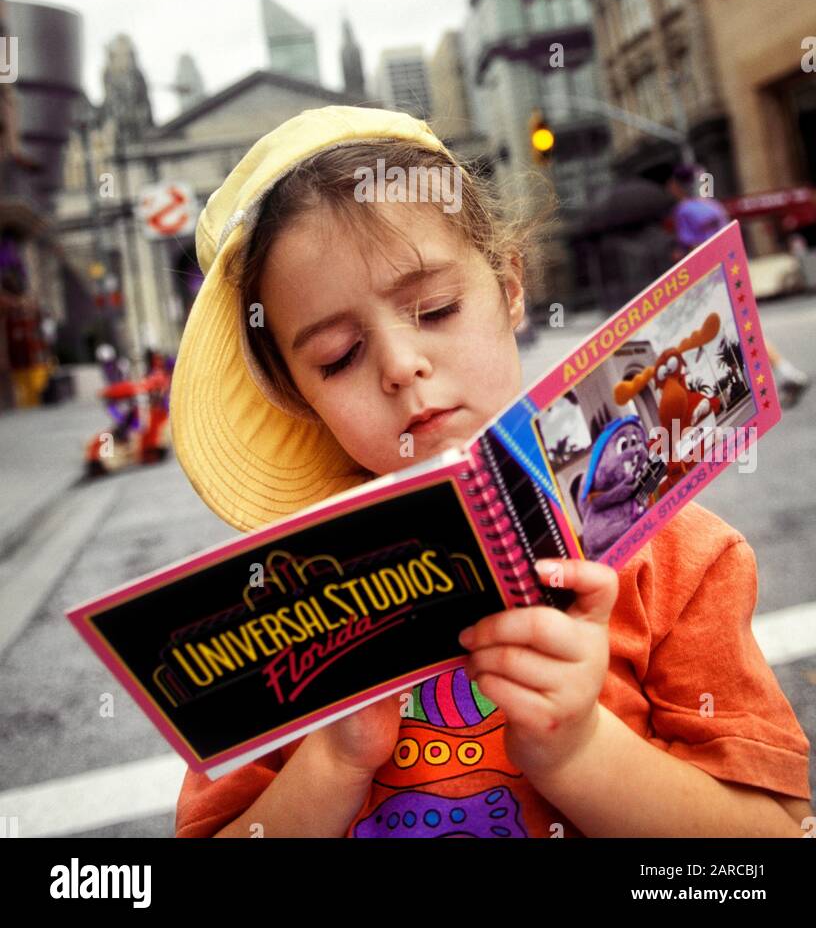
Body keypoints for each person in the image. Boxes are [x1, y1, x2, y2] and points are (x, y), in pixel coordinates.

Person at [171, 107, 812, 838]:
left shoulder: (678, 559)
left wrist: (576, 749)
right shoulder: (280, 602)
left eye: (435, 309)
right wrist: (332, 761)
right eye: (338, 357)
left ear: (510, 288)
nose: (400, 366)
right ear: (297, 393)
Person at [667, 163, 811, 408]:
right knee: (739, 330)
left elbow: (688, 250)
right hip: (732, 270)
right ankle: (781, 377)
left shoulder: (684, 211)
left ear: (678, 186)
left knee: (732, 333)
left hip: (709, 280)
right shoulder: (713, 206)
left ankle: (783, 376)